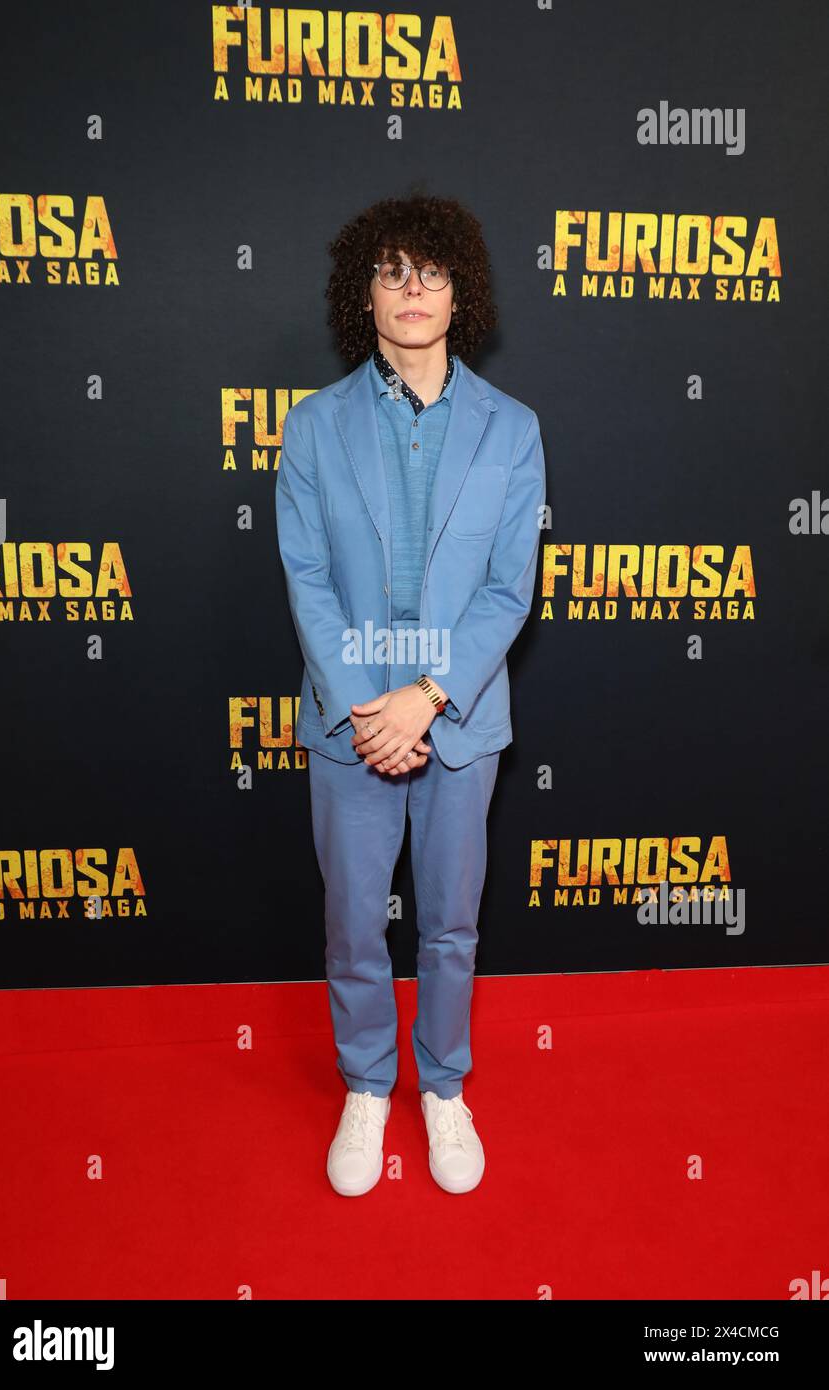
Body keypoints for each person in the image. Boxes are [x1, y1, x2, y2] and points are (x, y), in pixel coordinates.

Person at [275, 192, 546, 1197]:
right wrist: (365, 705)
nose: (411, 288)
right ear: (365, 292)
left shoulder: (511, 431)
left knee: (448, 923)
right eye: (389, 270)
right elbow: (303, 575)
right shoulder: (311, 428)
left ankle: (441, 1087)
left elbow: (506, 587)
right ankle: (363, 1083)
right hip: (351, 722)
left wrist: (425, 696)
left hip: (458, 721)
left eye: (428, 269)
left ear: (458, 286)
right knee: (352, 921)